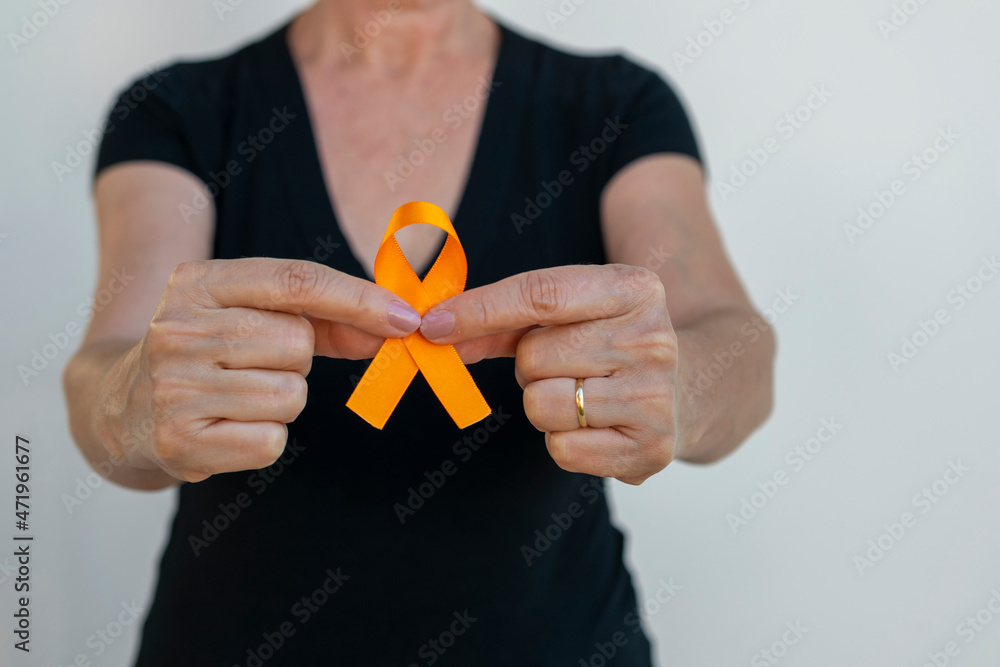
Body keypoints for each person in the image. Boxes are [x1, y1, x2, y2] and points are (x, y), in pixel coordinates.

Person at [63, 0, 775, 664]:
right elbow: (106, 367)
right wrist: (133, 401)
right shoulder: (175, 110)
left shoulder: (615, 105)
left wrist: (681, 386)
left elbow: (736, 342)